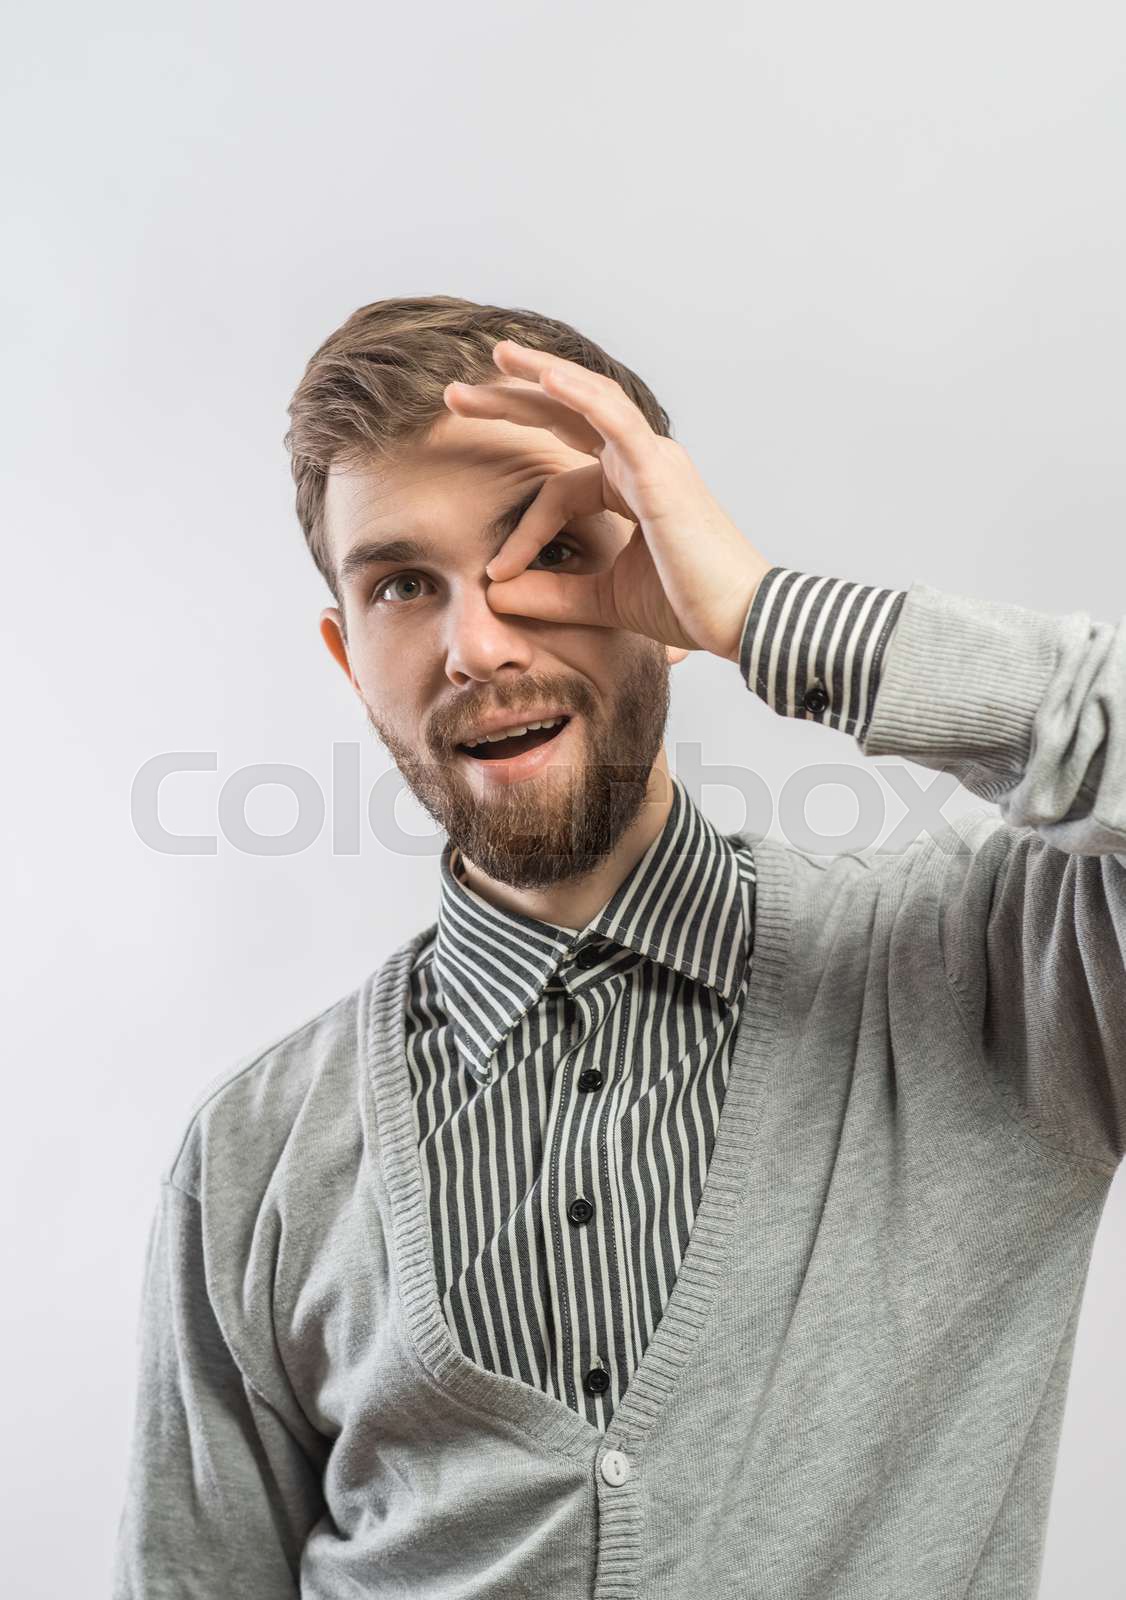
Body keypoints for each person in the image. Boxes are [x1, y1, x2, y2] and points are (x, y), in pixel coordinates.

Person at [111, 297, 1126, 1599]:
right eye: (403, 586)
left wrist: (766, 612)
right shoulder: (250, 1161)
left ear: (661, 565)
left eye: (549, 548)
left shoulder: (1000, 977)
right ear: (347, 656)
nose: (476, 644)